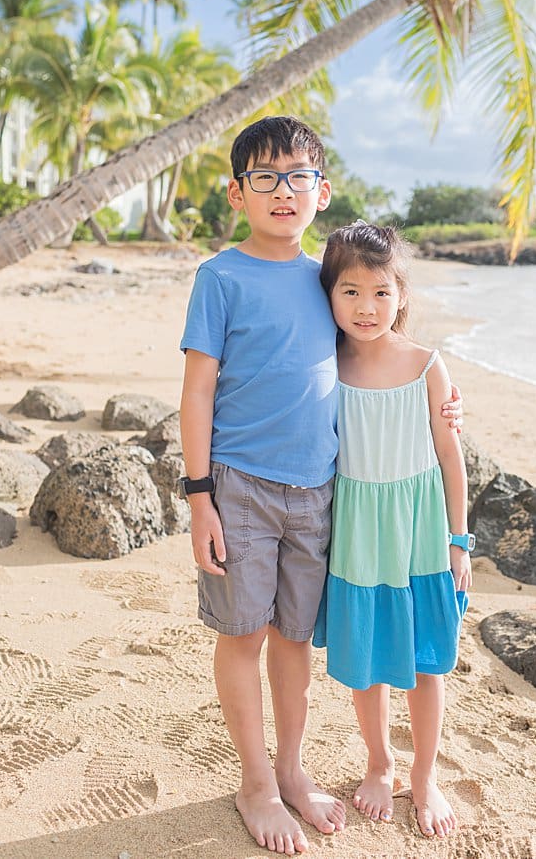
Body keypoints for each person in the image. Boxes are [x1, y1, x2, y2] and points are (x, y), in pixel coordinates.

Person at [180, 116, 461, 856]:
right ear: (238, 193)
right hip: (239, 486)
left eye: (296, 176)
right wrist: (199, 495)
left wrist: (446, 399)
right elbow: (198, 392)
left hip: (319, 494)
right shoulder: (221, 277)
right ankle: (255, 785)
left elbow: (381, 351)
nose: (281, 191)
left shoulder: (329, 284)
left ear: (321, 192)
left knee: (294, 637)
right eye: (263, 178)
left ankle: (292, 770)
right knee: (243, 633)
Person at [312, 221, 472, 840]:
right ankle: (379, 762)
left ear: (401, 294)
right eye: (349, 292)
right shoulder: (325, 365)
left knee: (427, 664)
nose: (366, 307)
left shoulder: (428, 365)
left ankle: (425, 776)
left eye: (380, 292)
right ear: (329, 297)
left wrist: (460, 542)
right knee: (370, 660)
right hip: (357, 535)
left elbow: (451, 457)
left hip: (420, 533)